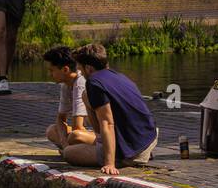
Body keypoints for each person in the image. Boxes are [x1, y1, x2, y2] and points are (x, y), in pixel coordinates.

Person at [63, 42, 158, 175]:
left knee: (68, 153)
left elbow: (107, 123)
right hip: (149, 138)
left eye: (80, 68)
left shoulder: (94, 83)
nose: (80, 73)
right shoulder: (119, 76)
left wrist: (109, 163)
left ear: (89, 68)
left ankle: (124, 156)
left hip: (132, 151)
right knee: (84, 101)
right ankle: (111, 147)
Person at [43, 45, 93, 152]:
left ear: (65, 69)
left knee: (75, 136)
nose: (49, 74)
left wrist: (66, 142)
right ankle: (72, 150)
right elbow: (60, 119)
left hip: (100, 133)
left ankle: (76, 151)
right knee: (51, 130)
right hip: (86, 133)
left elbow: (77, 127)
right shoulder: (66, 84)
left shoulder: (80, 82)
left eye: (52, 70)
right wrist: (64, 143)